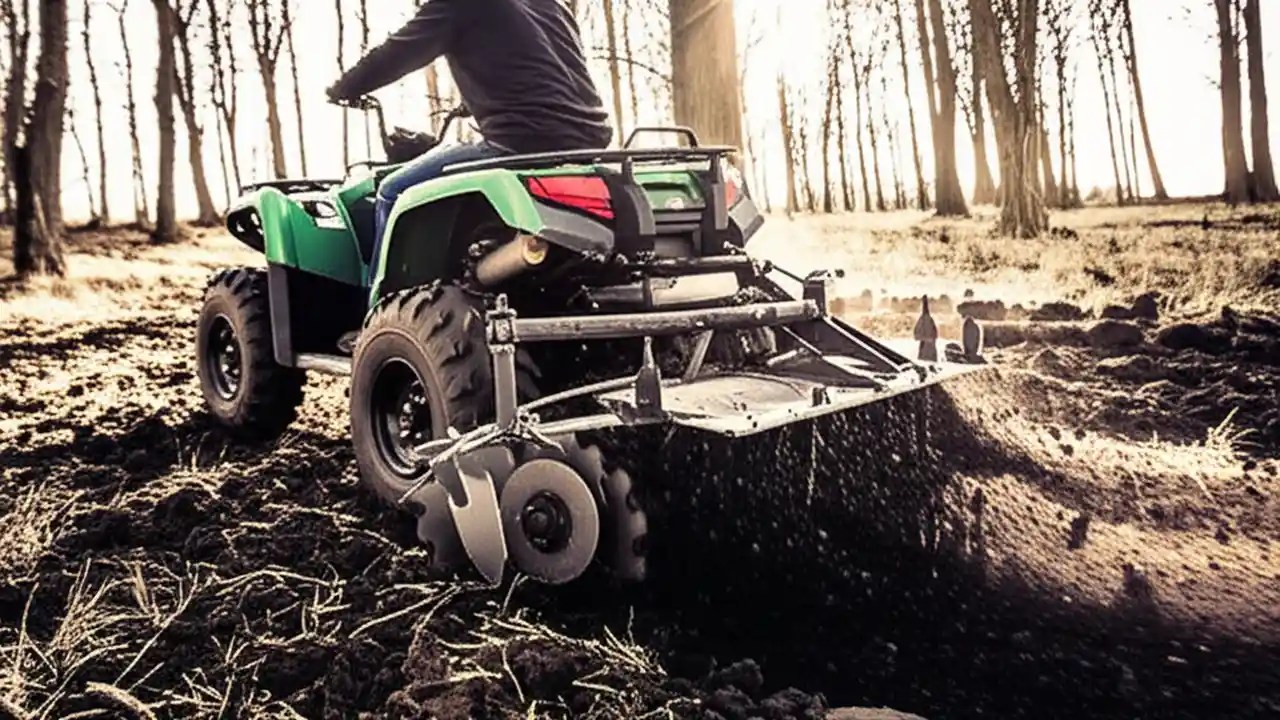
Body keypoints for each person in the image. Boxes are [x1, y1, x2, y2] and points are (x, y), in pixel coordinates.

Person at [326, 0, 614, 281]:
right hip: (589, 143)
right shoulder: (551, 6)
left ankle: (379, 310)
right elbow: (543, 71)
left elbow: (400, 52)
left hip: (521, 141)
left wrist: (346, 87)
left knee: (393, 190)